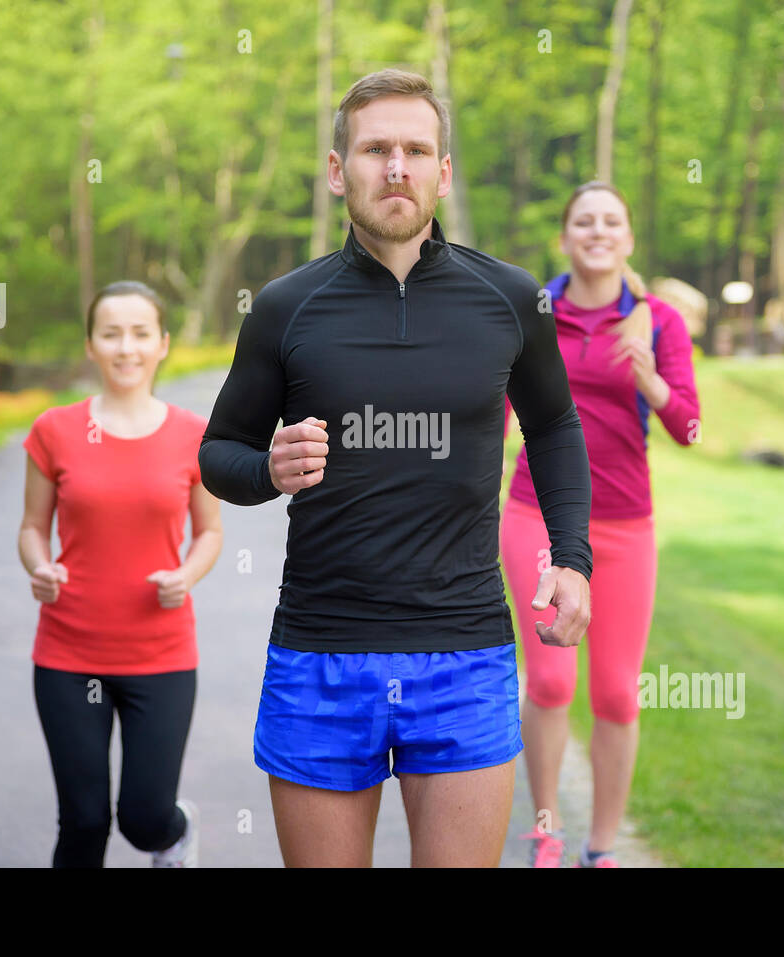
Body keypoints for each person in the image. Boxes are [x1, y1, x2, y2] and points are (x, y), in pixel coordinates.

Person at [199, 69, 593, 868]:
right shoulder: (286, 306)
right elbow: (218, 454)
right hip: (319, 653)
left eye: (417, 150)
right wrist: (268, 468)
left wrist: (574, 559)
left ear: (443, 172)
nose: (397, 168)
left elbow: (554, 423)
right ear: (339, 169)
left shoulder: (511, 299)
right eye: (376, 149)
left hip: (466, 652)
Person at [501, 182, 700, 867]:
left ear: (629, 239)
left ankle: (603, 846)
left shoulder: (661, 322)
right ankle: (547, 827)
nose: (597, 231)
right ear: (565, 237)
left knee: (616, 693)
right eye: (583, 221)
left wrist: (651, 381)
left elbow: (690, 427)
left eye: (611, 220)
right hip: (538, 513)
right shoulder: (534, 311)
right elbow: (494, 407)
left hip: (625, 524)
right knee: (552, 680)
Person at [17, 280, 222, 868]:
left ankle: (176, 833)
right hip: (67, 651)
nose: (125, 347)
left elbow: (210, 532)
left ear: (161, 344)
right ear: (91, 345)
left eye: (139, 334)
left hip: (161, 654)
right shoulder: (54, 430)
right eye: (111, 334)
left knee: (143, 817)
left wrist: (187, 575)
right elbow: (32, 527)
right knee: (83, 822)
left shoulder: (193, 434)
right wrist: (39, 565)